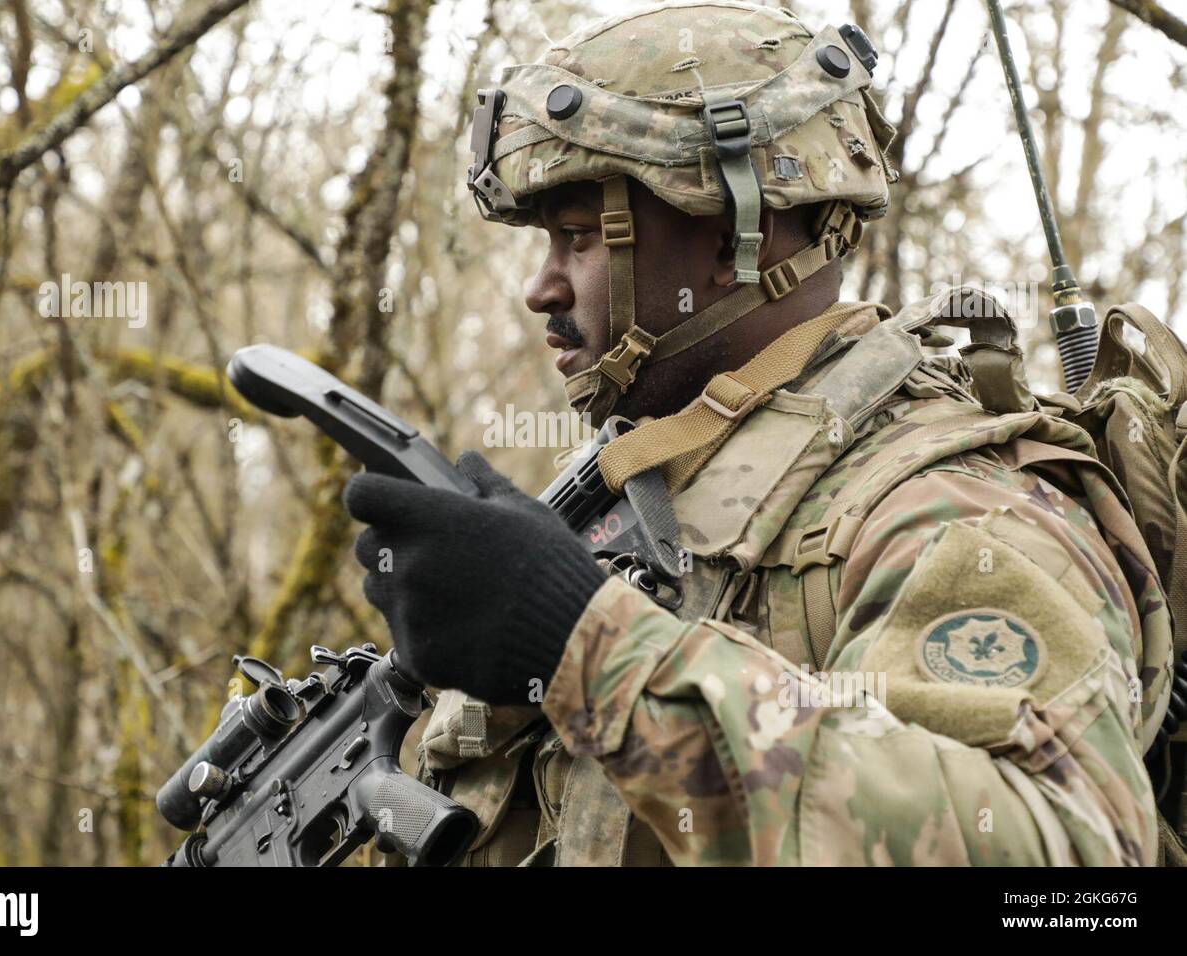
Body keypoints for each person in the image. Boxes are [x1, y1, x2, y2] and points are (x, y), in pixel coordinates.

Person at [342, 2, 1175, 865]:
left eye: (579, 237)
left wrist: (582, 646)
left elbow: (1068, 865)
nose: (542, 289)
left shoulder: (951, 507)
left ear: (738, 235)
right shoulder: (644, 504)